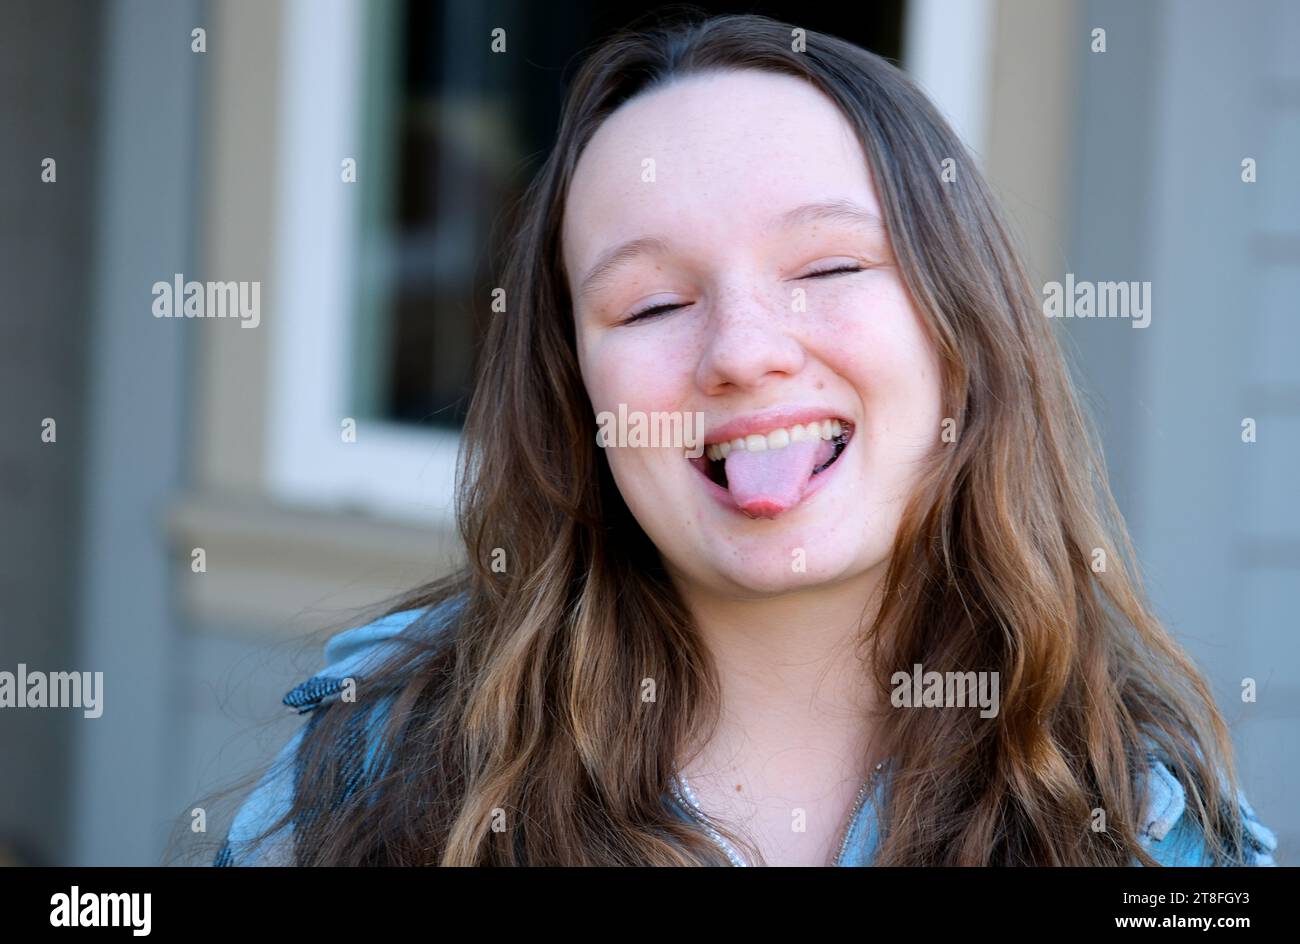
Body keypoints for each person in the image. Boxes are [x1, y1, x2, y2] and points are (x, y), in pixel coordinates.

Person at [214, 13, 1276, 866]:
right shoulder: (376, 782)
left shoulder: (1149, 832)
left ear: (961, 335)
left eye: (827, 268)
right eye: (650, 305)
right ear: (573, 395)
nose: (742, 351)